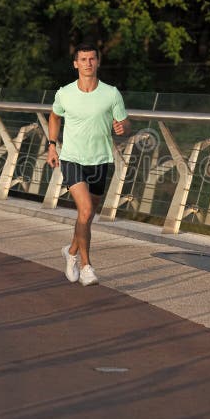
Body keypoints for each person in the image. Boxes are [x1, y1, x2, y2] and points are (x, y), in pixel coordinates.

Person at [47, 43, 131, 286]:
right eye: (83, 59)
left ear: (98, 62)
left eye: (92, 59)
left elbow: (126, 124)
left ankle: (71, 251)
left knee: (88, 214)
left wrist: (122, 128)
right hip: (72, 158)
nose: (87, 63)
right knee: (84, 211)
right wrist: (52, 145)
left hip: (101, 160)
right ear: (75, 64)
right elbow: (54, 116)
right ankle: (86, 266)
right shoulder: (64, 93)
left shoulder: (111, 93)